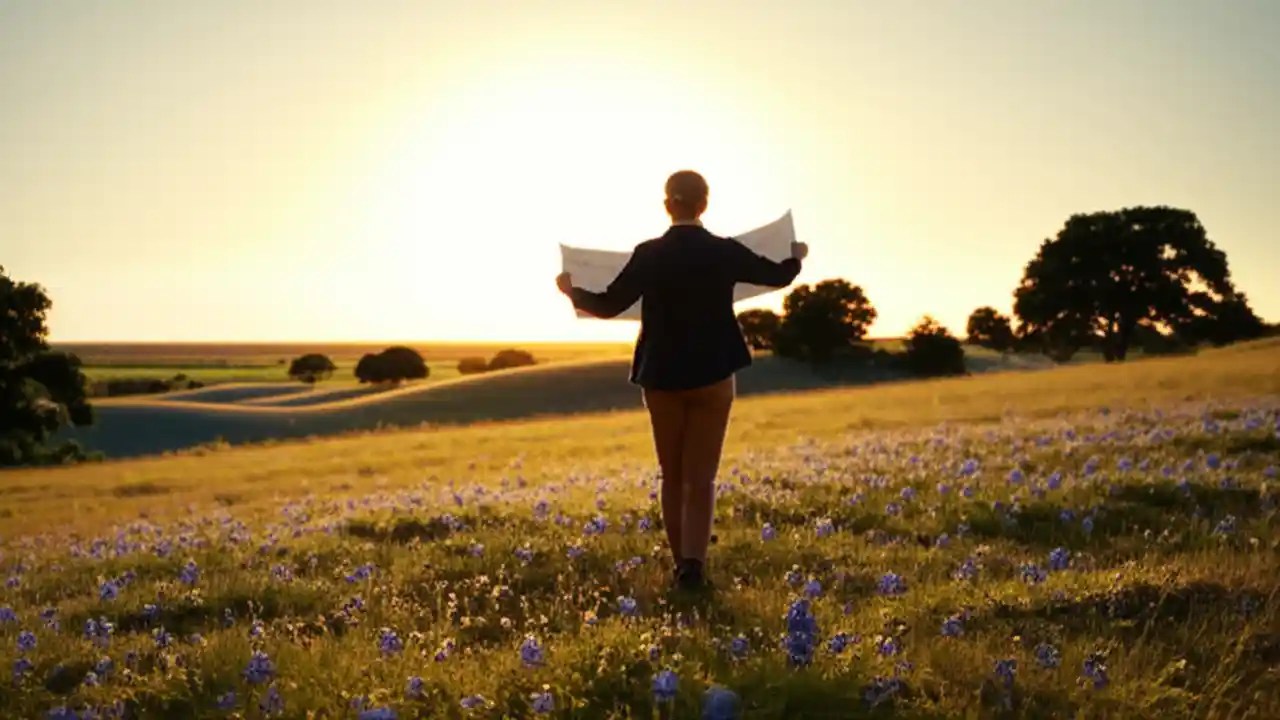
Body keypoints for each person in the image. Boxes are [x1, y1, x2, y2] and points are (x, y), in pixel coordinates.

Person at [555, 170, 807, 590]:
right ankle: (694, 563)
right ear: (703, 204)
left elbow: (607, 304)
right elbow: (778, 275)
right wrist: (797, 255)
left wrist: (570, 290)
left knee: (671, 475)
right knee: (701, 477)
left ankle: (680, 566)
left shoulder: (649, 253)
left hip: (662, 373)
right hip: (714, 371)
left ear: (667, 205)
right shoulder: (723, 251)